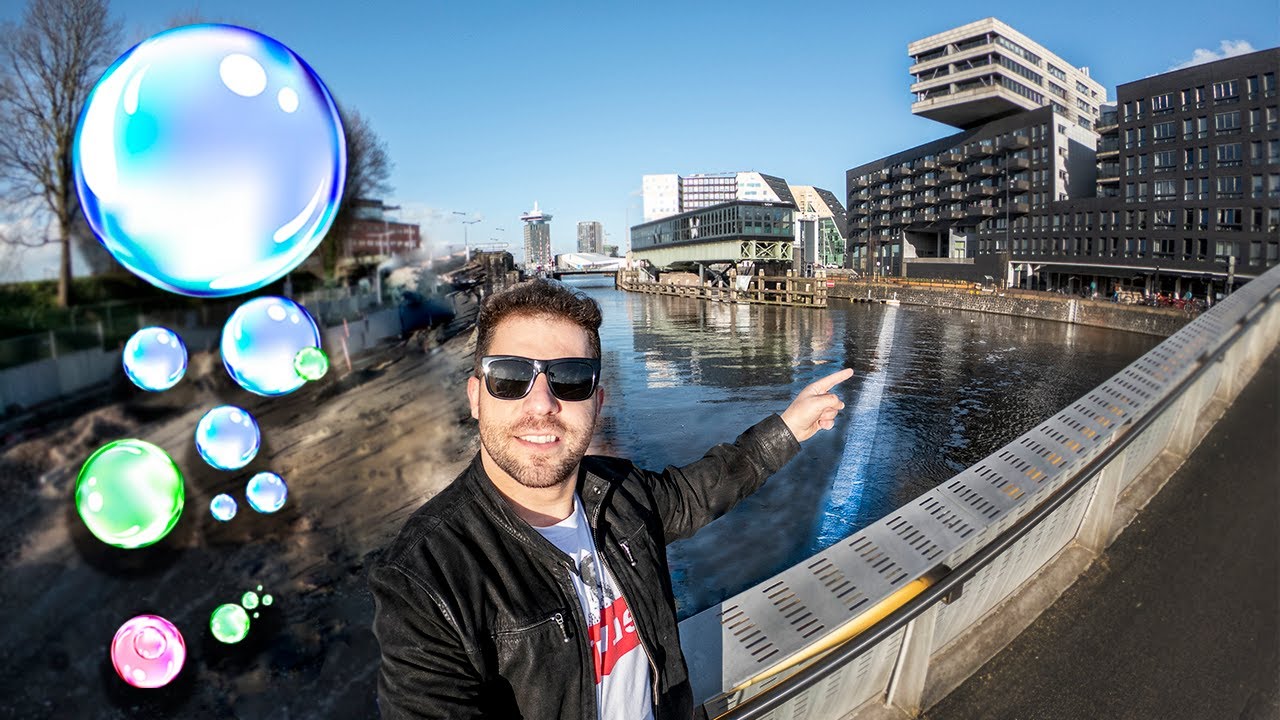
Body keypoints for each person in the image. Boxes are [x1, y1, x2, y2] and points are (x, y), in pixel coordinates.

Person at [369, 279, 851, 720]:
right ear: (476, 397)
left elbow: (699, 491)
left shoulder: (617, 493)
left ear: (597, 404)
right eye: (511, 378)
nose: (541, 404)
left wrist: (788, 427)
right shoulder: (424, 578)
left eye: (571, 379)